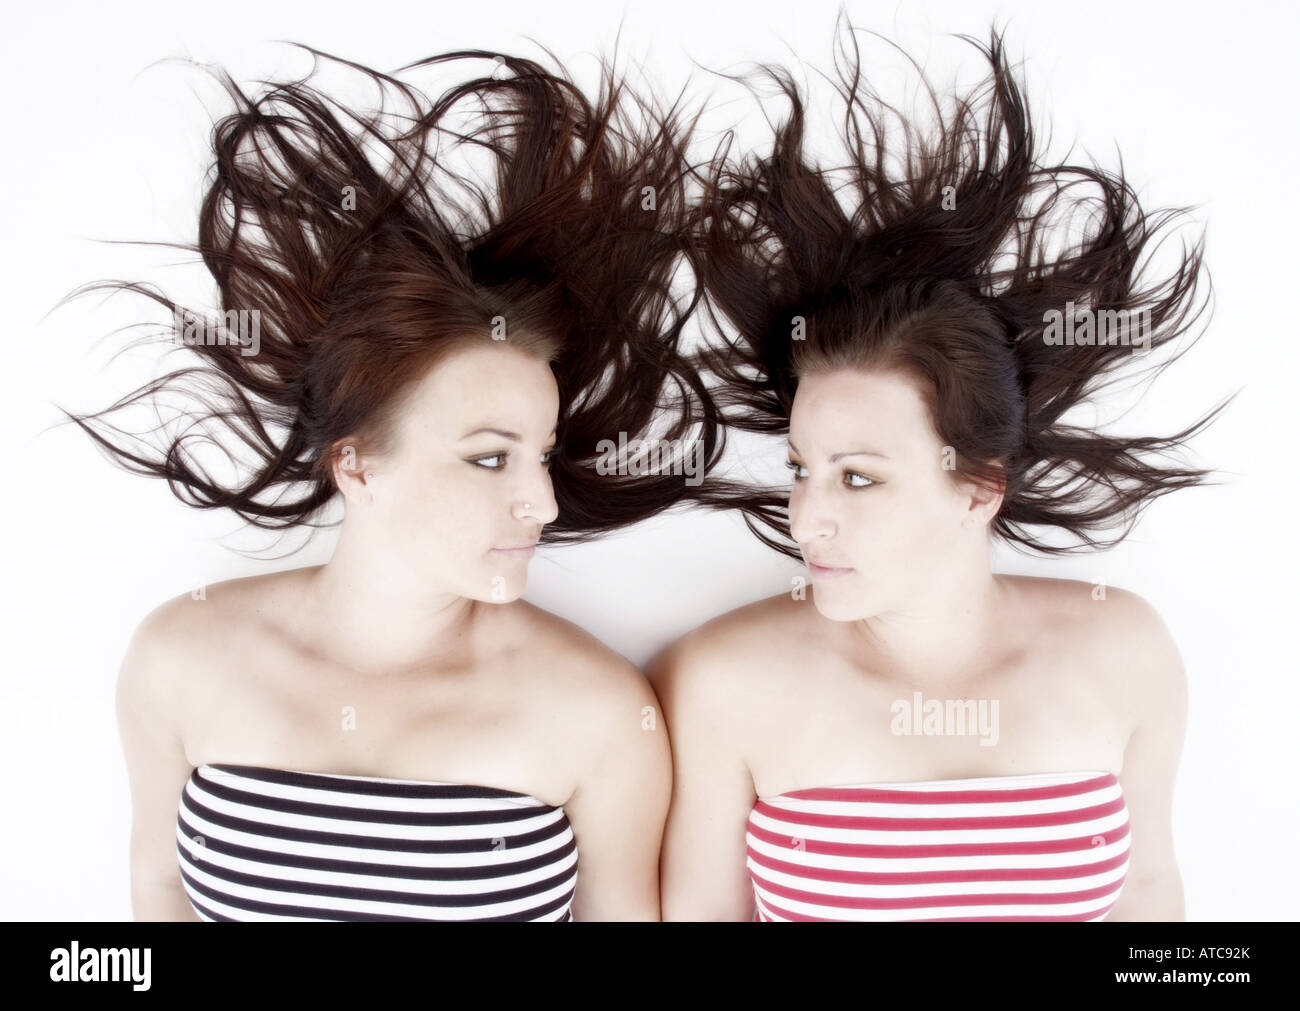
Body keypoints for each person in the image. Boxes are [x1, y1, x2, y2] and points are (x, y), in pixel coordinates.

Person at [63, 45, 718, 921]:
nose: (543, 501)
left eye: (541, 453)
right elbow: (156, 887)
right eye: (490, 456)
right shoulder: (180, 657)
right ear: (356, 462)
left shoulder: (598, 714)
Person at [652, 26, 1226, 921]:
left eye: (860, 478)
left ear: (978, 488)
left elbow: (1152, 895)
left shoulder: (1125, 651)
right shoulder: (727, 679)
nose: (807, 517)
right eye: (804, 468)